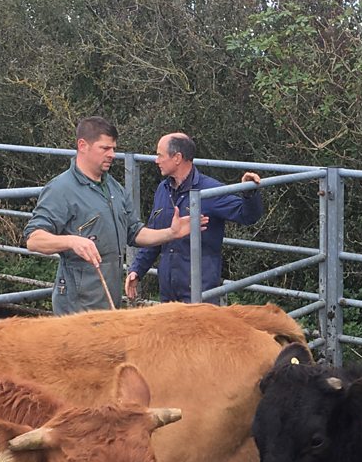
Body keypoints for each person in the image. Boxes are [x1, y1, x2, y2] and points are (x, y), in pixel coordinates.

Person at [24, 117, 205, 315]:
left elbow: (135, 233)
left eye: (113, 148)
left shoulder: (114, 188)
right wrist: (71, 241)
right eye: (105, 148)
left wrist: (171, 233)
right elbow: (34, 239)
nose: (112, 154)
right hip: (76, 309)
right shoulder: (61, 189)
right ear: (82, 145)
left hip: (109, 302)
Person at [124, 133, 263, 304]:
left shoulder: (210, 192)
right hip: (168, 293)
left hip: (199, 294)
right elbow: (156, 235)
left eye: (160, 155)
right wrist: (137, 269)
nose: (156, 160)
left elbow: (248, 216)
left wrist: (249, 191)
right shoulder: (163, 189)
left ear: (177, 158)